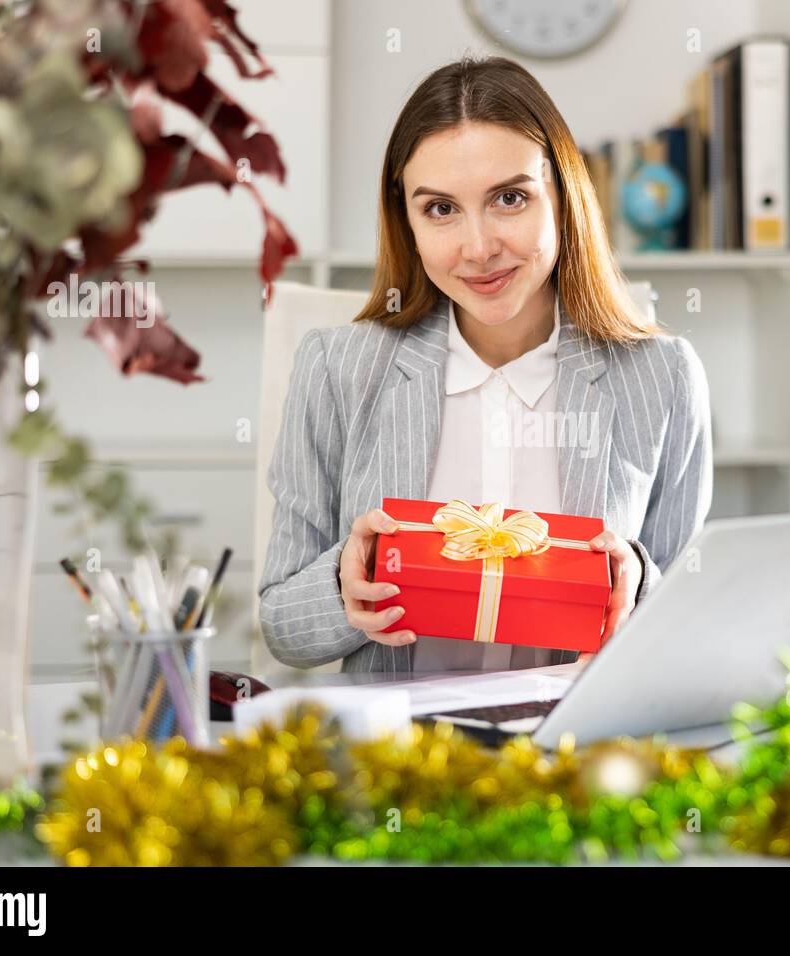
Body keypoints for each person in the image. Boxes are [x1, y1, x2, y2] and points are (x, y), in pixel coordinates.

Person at [259, 55, 712, 674]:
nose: (478, 249)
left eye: (509, 198)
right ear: (408, 221)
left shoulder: (663, 378)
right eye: (440, 209)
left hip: (570, 753)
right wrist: (345, 584)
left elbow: (693, 626)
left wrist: (640, 587)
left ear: (564, 197)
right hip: (399, 759)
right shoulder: (337, 369)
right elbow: (282, 625)